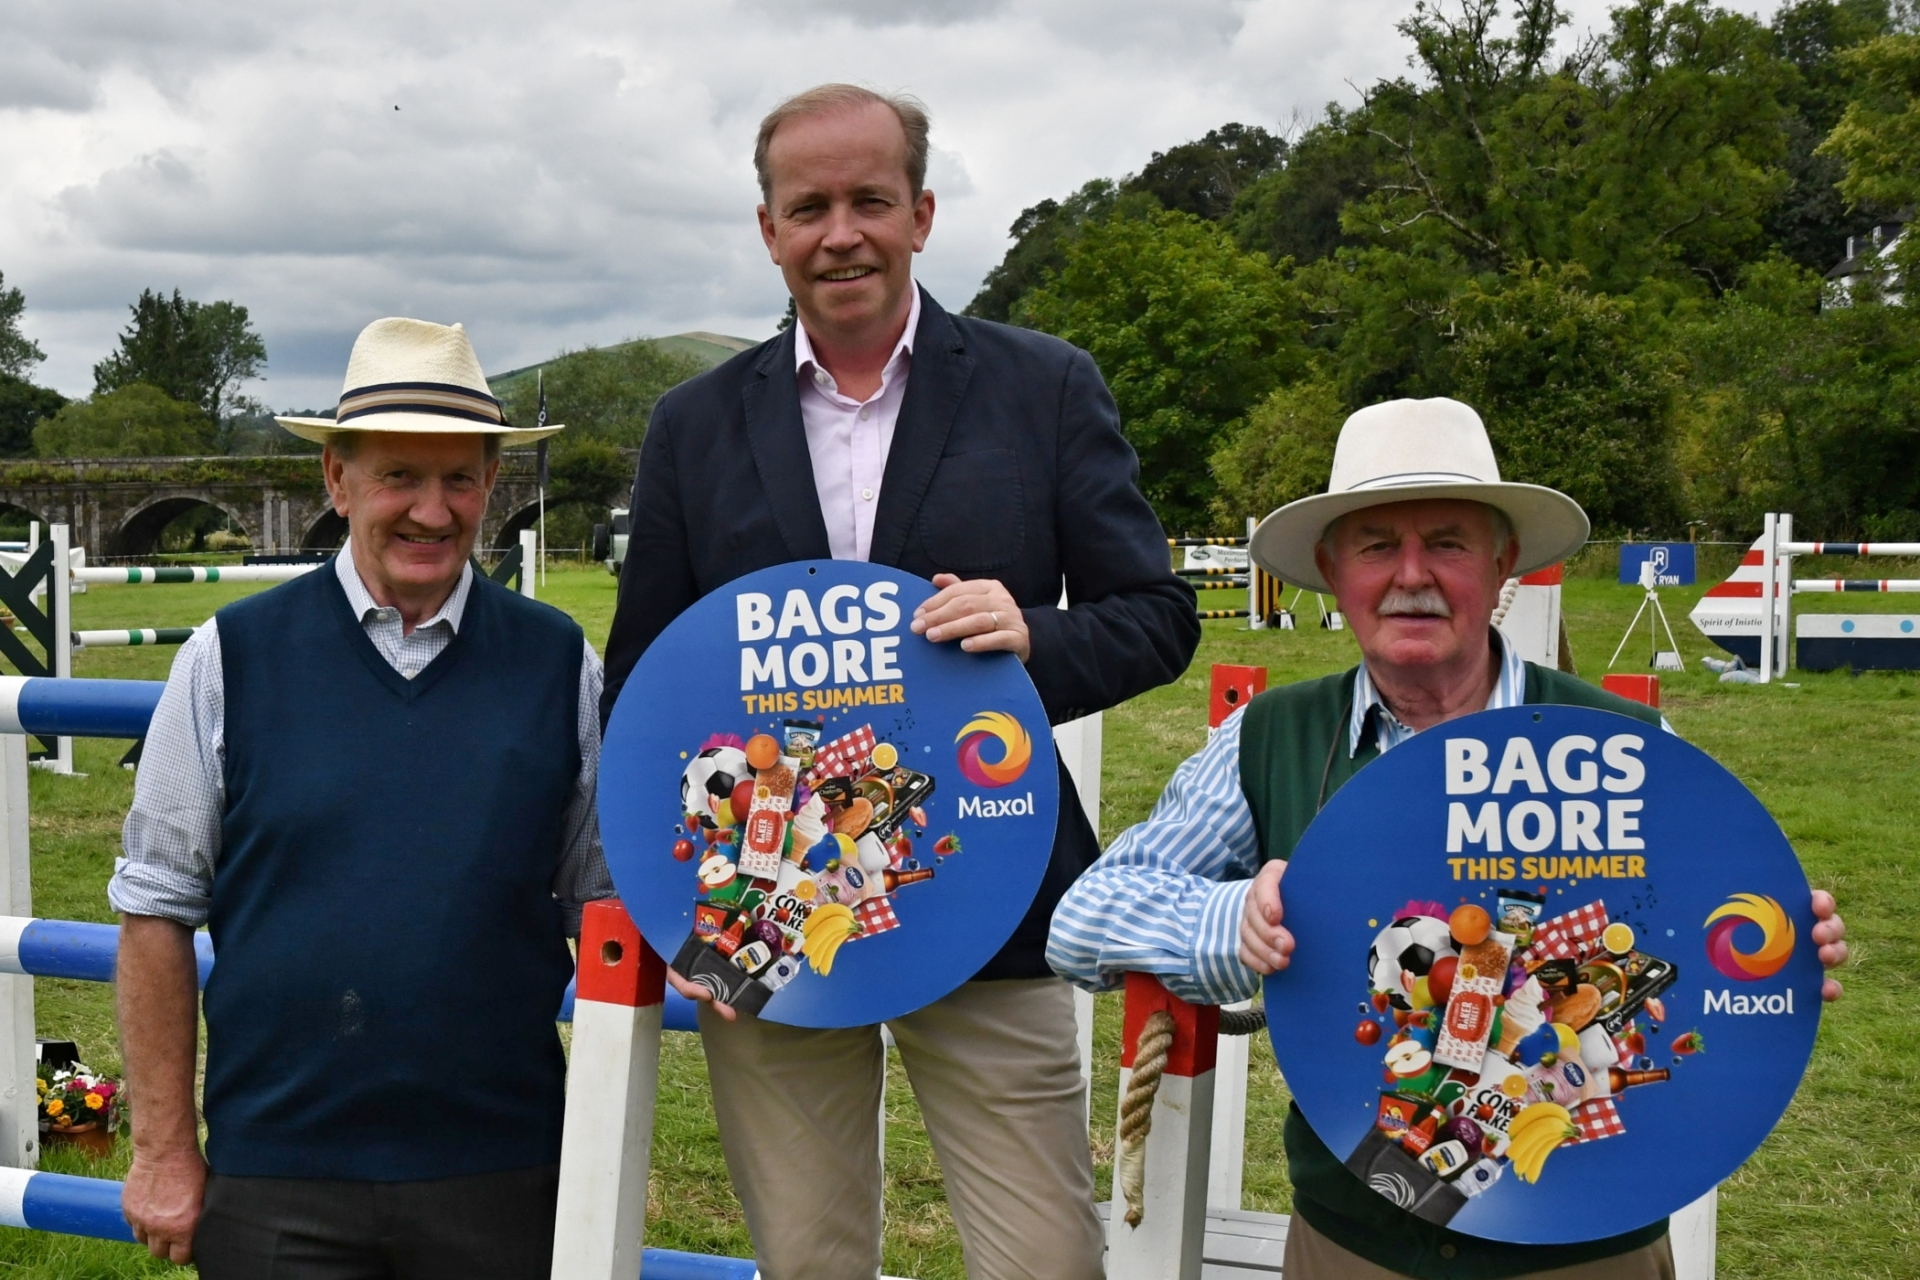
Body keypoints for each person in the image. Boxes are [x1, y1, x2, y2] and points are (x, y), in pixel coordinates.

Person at [600, 84, 1200, 1279]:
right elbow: (642, 690)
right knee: (808, 1259)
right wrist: (687, 907)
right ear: (768, 229)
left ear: (921, 214)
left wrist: (1032, 637)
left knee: (1045, 1263)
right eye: (809, 207)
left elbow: (1156, 615)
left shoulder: (1046, 385)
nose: (842, 234)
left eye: (870, 200)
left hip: (989, 888)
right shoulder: (694, 424)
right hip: (770, 908)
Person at [1048, 397, 1850, 1280]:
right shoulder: (1272, 738)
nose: (1412, 576)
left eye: (1448, 543)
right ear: (1332, 570)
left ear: (1503, 563)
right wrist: (1235, 922)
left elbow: (1704, 923)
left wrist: (1783, 945)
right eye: (1376, 546)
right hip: (1359, 1244)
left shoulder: (1624, 743)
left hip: (1587, 1245)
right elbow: (1084, 919)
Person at [110, 317, 612, 1278]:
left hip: (502, 1171)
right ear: (336, 480)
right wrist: (162, 1152)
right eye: (399, 476)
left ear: (491, 484)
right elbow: (155, 910)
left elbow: (603, 911)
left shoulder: (561, 665)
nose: (432, 509)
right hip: (278, 1175)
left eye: (459, 478)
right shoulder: (228, 658)